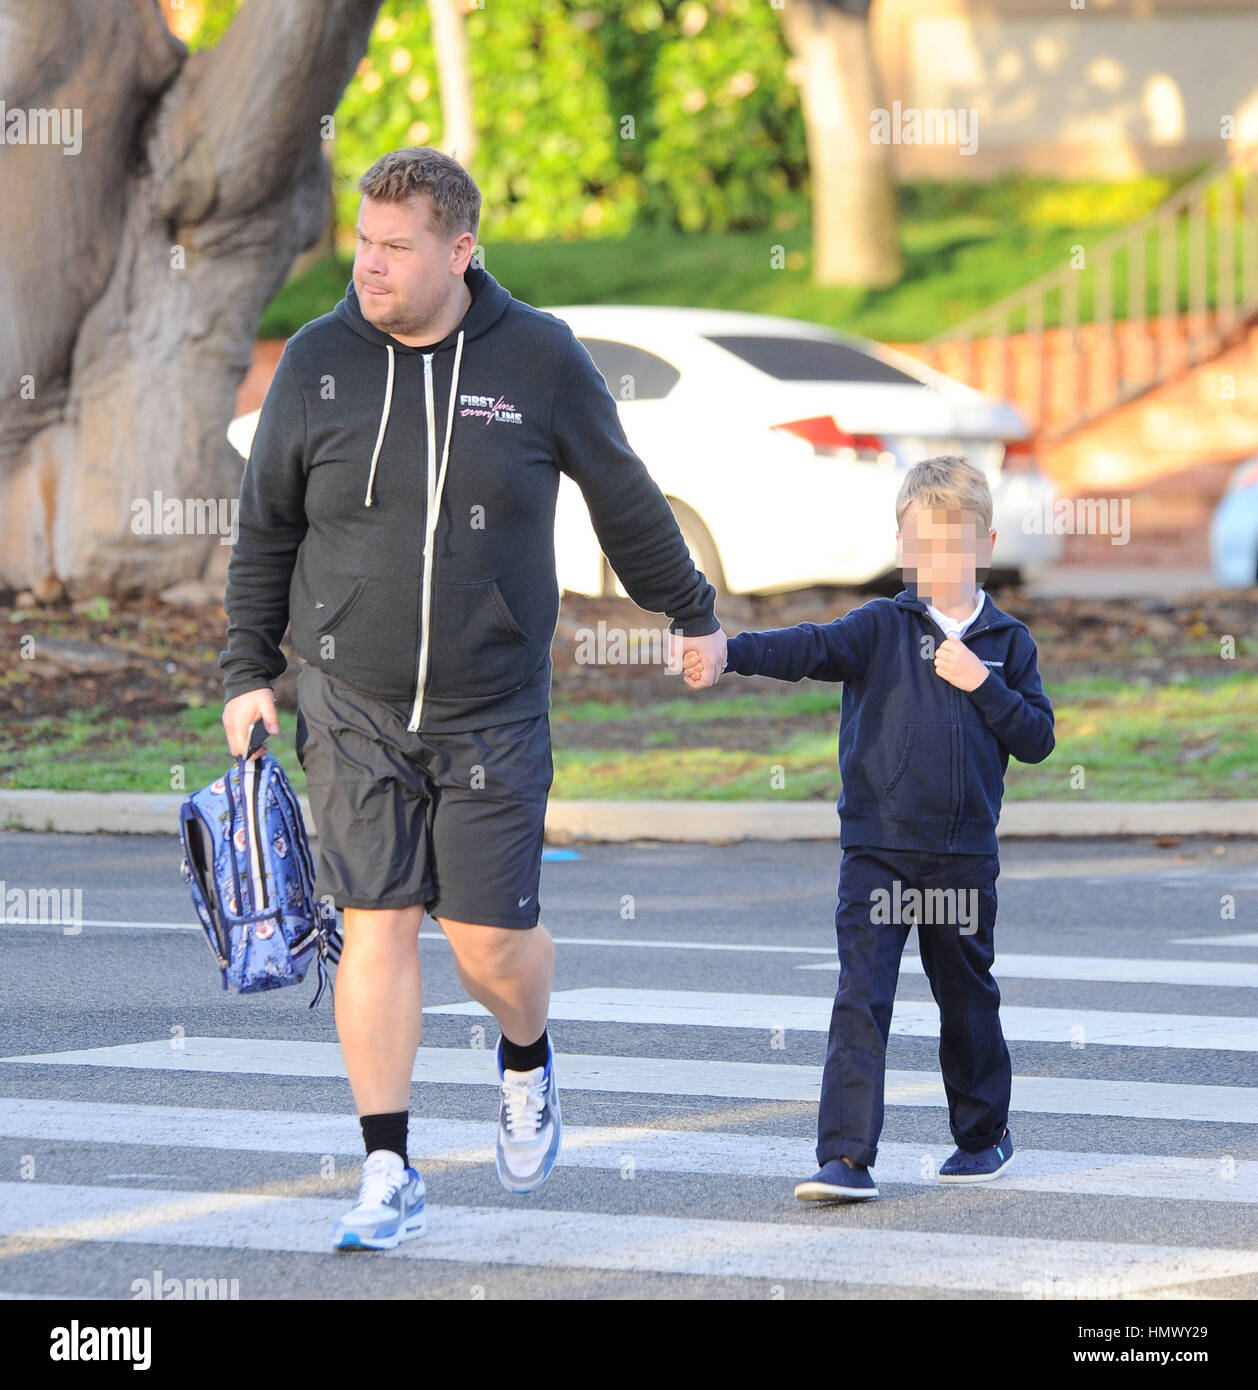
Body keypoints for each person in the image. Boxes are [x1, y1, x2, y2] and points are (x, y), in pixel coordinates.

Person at [219, 146, 728, 1249]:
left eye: (396, 248)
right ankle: (388, 1163)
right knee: (376, 926)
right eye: (363, 242)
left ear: (461, 249)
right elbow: (266, 530)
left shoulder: (538, 358)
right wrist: (247, 673)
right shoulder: (316, 362)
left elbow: (623, 496)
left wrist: (688, 612)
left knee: (488, 947)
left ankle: (528, 1056)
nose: (370, 266)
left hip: (491, 703)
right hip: (347, 698)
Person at [683, 455, 1054, 1200]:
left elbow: (1037, 737)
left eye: (955, 541)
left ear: (983, 545)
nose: (939, 557)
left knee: (966, 996)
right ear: (903, 547)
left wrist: (982, 685)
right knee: (863, 994)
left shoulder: (1007, 643)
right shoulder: (882, 627)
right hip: (878, 852)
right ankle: (846, 1158)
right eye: (924, 542)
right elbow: (808, 647)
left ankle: (983, 1136)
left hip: (962, 859)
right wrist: (729, 651)